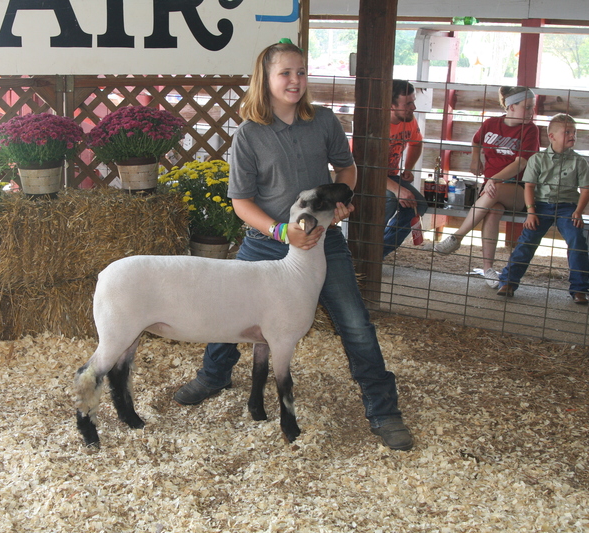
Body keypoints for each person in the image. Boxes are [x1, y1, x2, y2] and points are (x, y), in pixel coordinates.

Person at [173, 41, 413, 451]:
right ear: (265, 79)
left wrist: (341, 201)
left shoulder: (323, 121)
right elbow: (241, 203)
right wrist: (283, 233)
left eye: (301, 72)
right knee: (227, 310)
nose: (295, 81)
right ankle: (214, 376)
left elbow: (347, 167)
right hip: (267, 242)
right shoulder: (249, 134)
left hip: (322, 242)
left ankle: (383, 409)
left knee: (354, 321)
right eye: (285, 73)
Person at [433, 87, 540, 288]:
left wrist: (493, 180)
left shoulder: (530, 130)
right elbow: (476, 141)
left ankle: (457, 236)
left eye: (532, 108)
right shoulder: (491, 123)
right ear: (511, 107)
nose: (530, 112)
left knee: (495, 192)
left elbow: (521, 163)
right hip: (491, 189)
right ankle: (488, 268)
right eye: (527, 108)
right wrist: (475, 160)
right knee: (493, 211)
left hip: (518, 189)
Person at [497, 113, 589, 304]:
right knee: (527, 240)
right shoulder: (538, 159)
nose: (572, 135)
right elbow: (529, 187)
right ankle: (508, 281)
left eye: (574, 132)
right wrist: (531, 212)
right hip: (540, 206)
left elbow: (585, 191)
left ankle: (580, 289)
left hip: (567, 207)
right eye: (567, 132)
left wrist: (578, 211)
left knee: (577, 240)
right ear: (552, 136)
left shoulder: (579, 161)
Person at [384, 80, 428, 258]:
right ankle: (366, 246)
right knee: (388, 199)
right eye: (408, 103)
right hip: (364, 176)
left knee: (418, 205)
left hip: (389, 176)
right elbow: (365, 169)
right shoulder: (377, 125)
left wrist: (408, 168)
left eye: (413, 101)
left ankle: (378, 251)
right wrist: (398, 190)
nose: (414, 107)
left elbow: (416, 144)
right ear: (391, 105)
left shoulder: (408, 120)